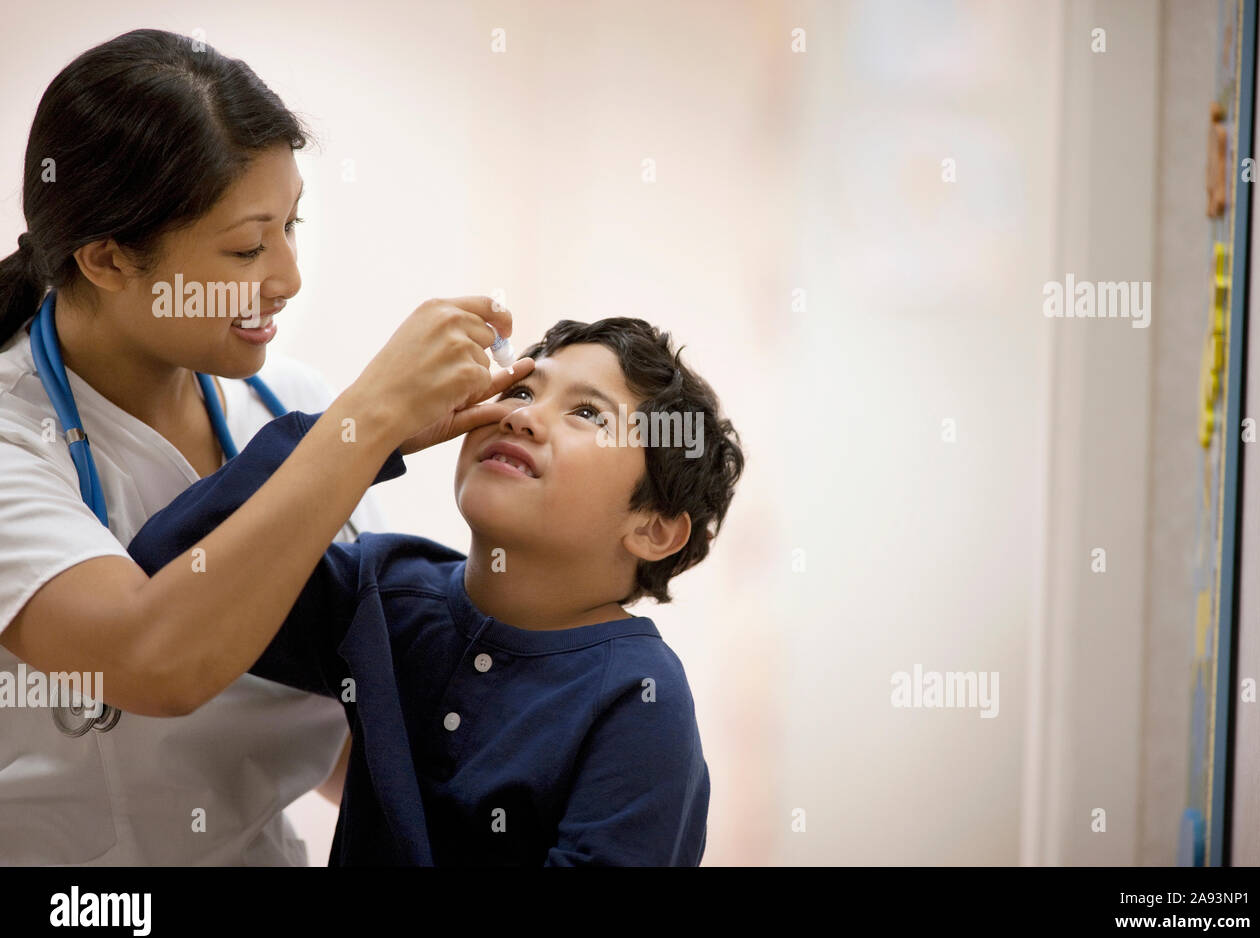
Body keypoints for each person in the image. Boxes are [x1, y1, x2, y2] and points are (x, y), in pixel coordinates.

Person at [0, 28, 532, 864]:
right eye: (248, 246)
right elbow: (156, 662)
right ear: (105, 258)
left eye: (292, 225)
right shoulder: (11, 436)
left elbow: (350, 719)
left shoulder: (293, 409)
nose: (285, 276)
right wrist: (367, 425)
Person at [129, 318, 745, 865]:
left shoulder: (639, 699)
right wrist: (371, 433)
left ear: (653, 529)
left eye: (587, 413)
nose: (520, 414)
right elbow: (171, 571)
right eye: (523, 389)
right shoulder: (382, 594)